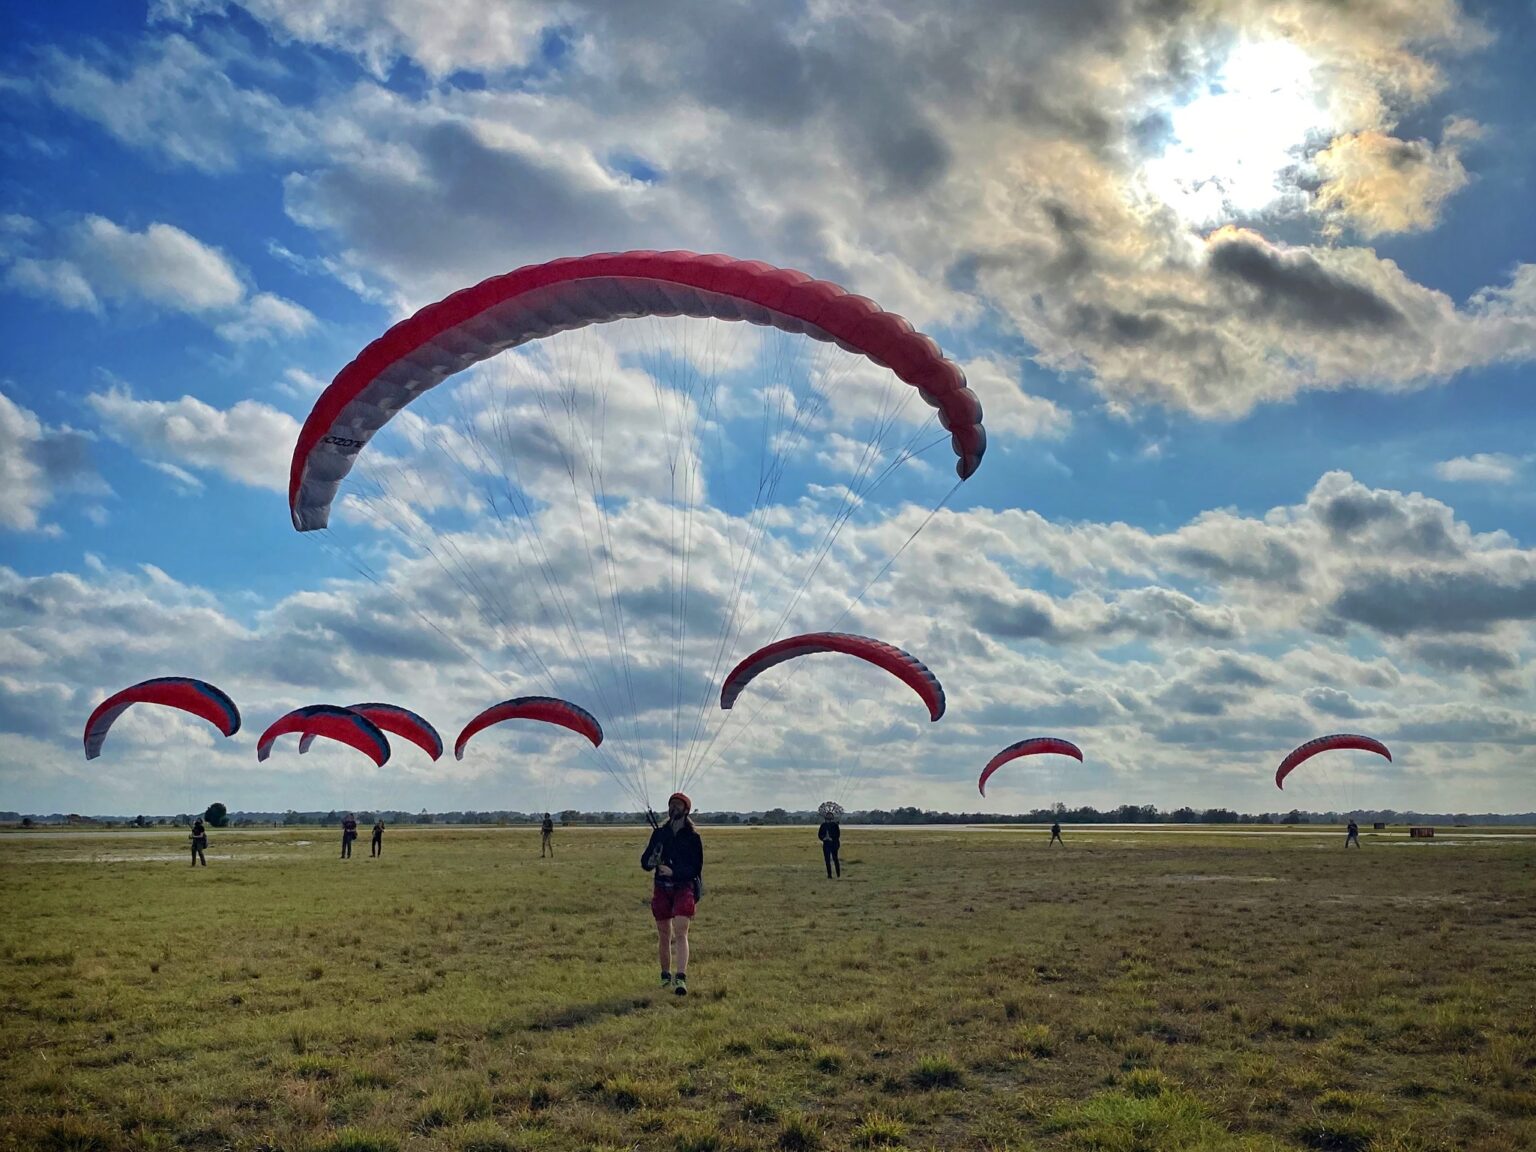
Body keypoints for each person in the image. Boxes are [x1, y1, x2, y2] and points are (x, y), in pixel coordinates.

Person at [641, 792, 703, 996]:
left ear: (686, 810)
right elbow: (645, 863)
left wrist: (674, 871)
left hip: (683, 886)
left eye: (677, 805)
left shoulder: (693, 837)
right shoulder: (660, 834)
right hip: (662, 887)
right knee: (664, 933)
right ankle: (665, 976)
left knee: (680, 931)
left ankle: (681, 977)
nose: (673, 808)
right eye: (671, 805)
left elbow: (695, 868)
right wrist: (654, 859)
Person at [818, 813, 841, 878]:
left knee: (835, 859)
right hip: (826, 844)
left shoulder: (835, 825)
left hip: (834, 844)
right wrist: (824, 838)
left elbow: (838, 835)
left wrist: (831, 838)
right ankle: (829, 875)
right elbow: (819, 835)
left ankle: (838, 874)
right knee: (827, 860)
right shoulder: (823, 825)